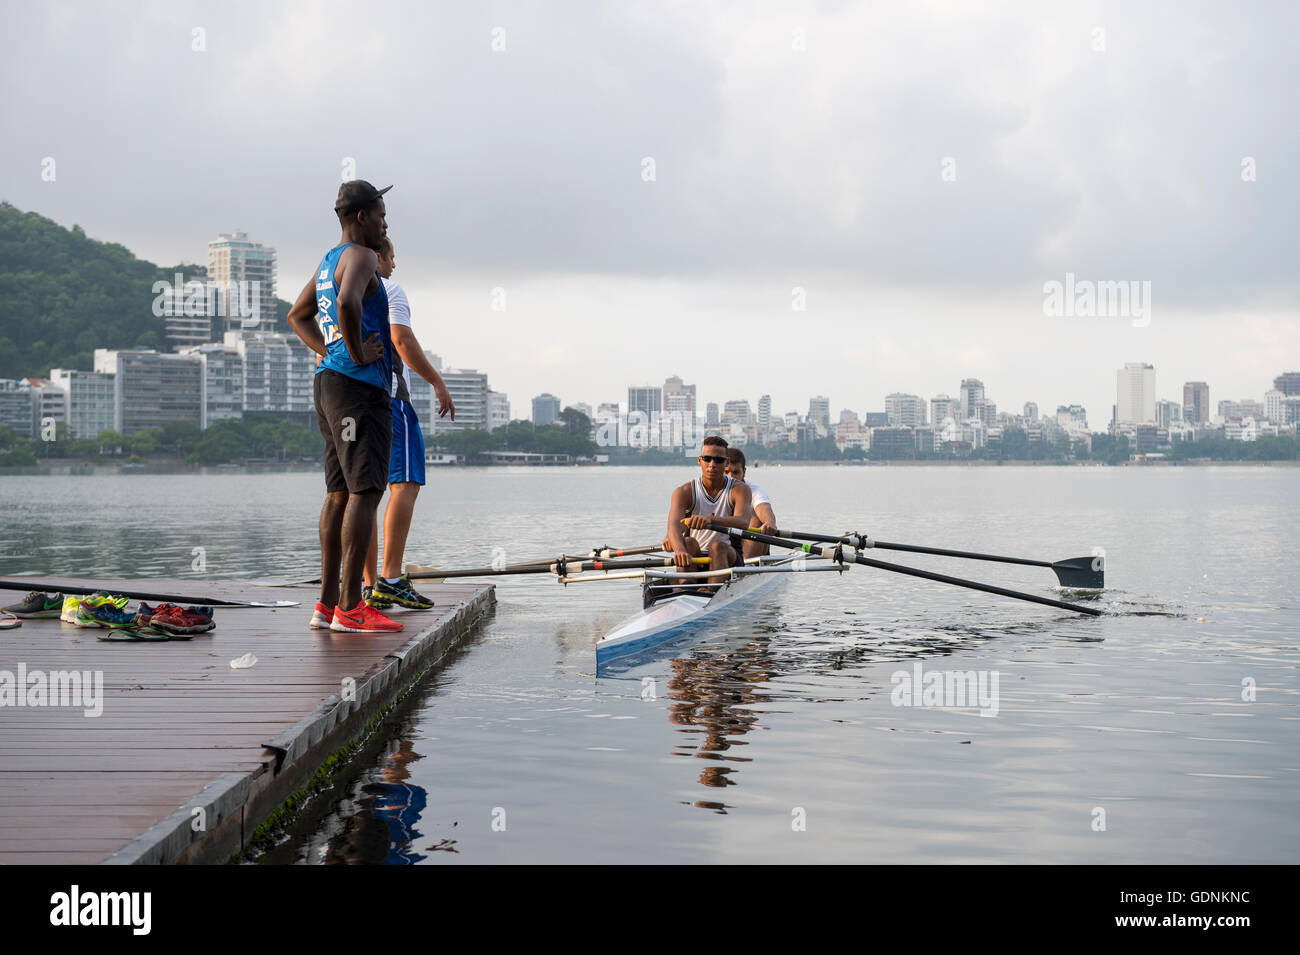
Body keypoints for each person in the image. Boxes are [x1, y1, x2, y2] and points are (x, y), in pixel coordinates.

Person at [285, 179, 402, 633]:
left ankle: (327, 604)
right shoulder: (362, 257)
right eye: (381, 215)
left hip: (328, 386)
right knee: (366, 491)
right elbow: (351, 301)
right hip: (358, 391)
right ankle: (352, 607)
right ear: (361, 217)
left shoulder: (328, 261)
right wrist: (354, 353)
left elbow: (298, 316)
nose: (385, 223)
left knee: (338, 493)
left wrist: (331, 352)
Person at [362, 236, 455, 610]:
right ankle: (391, 578)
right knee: (405, 483)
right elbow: (401, 338)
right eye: (392, 257)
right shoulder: (388, 289)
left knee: (364, 493)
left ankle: (368, 585)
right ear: (378, 256)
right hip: (391, 400)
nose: (395, 265)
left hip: (351, 398)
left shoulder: (335, 288)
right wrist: (437, 380)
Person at [664, 435, 753, 582]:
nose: (712, 464)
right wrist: (679, 549)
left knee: (718, 547)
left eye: (718, 460)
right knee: (687, 543)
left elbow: (743, 522)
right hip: (695, 555)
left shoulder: (740, 490)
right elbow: (673, 526)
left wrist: (709, 520)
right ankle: (686, 588)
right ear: (700, 460)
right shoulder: (684, 492)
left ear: (726, 463)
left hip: (729, 556)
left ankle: (711, 593)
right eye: (707, 459)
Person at [725, 447, 778, 559]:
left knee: (756, 522)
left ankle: (747, 568)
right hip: (724, 544)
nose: (731, 477)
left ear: (744, 472)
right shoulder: (712, 490)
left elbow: (764, 508)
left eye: (735, 472)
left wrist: (769, 522)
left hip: (750, 545)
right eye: (726, 472)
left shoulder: (755, 491)